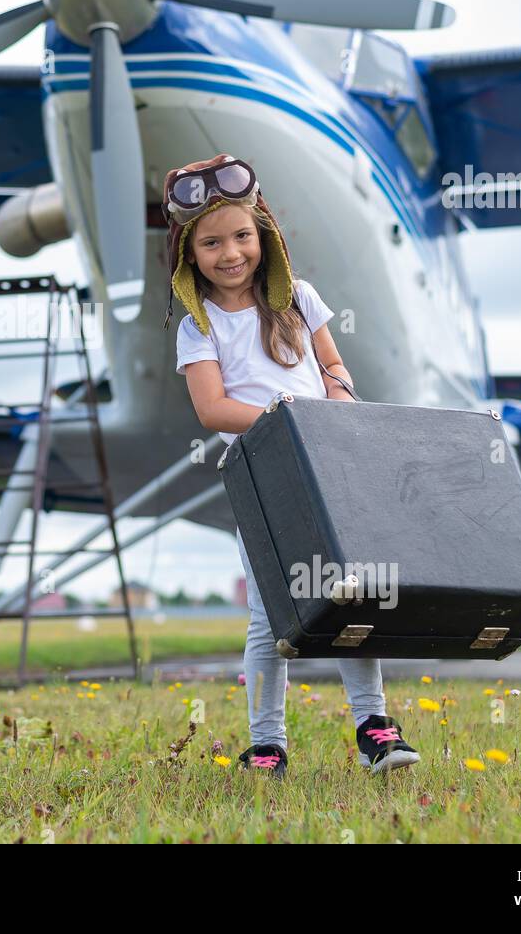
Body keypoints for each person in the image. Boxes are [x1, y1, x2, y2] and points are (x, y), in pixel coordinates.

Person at [165, 152, 420, 777]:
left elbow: (334, 368)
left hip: (327, 469)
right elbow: (213, 409)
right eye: (212, 242)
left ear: (264, 235)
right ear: (189, 254)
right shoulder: (198, 328)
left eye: (242, 236)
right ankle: (266, 743)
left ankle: (374, 727)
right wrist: (285, 419)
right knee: (268, 615)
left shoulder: (300, 299)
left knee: (350, 599)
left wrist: (335, 408)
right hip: (264, 477)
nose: (231, 253)